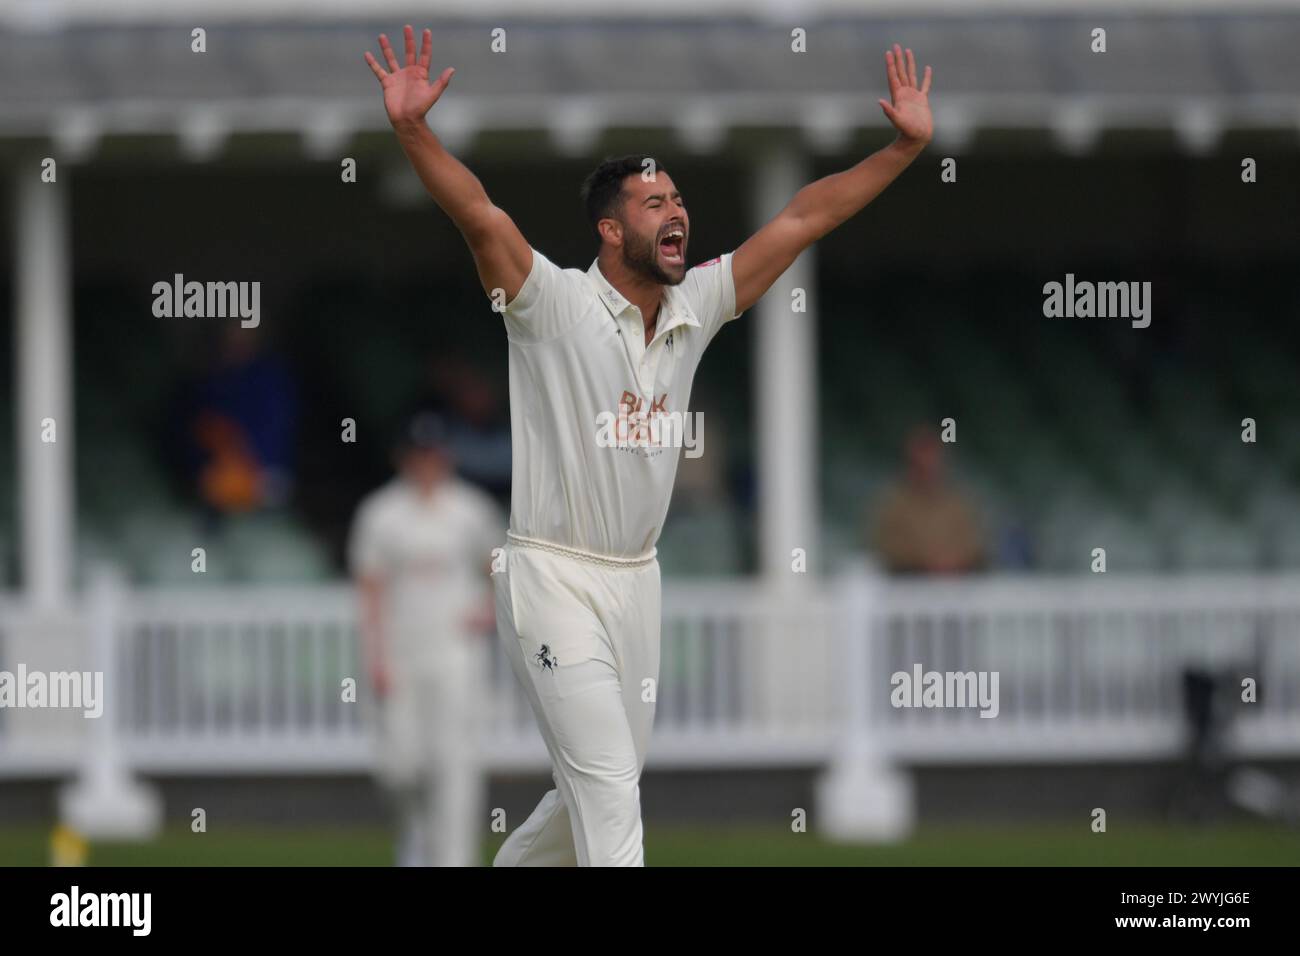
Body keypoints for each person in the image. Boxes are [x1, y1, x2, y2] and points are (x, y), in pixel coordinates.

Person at [363, 25, 933, 865]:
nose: (678, 214)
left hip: (639, 581)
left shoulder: (699, 303)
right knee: (610, 794)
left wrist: (904, 147)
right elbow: (480, 216)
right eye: (655, 203)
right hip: (551, 572)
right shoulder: (551, 303)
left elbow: (806, 215)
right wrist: (413, 131)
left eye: (679, 200)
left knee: (595, 787)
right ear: (608, 229)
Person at [348, 410, 503, 866]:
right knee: (398, 763)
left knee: (455, 761)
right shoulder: (381, 513)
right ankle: (414, 833)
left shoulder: (471, 509)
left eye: (433, 454)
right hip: (399, 649)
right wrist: (375, 658)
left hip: (456, 651)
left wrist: (489, 611)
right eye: (419, 455)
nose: (427, 464)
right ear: (404, 458)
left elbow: (498, 566)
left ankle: (454, 859)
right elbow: (370, 589)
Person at [871, 425, 986, 574]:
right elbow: (885, 547)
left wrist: (954, 561)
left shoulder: (959, 503)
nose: (928, 467)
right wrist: (925, 561)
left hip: (957, 586)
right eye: (920, 463)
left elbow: (975, 544)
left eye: (932, 460)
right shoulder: (892, 505)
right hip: (909, 586)